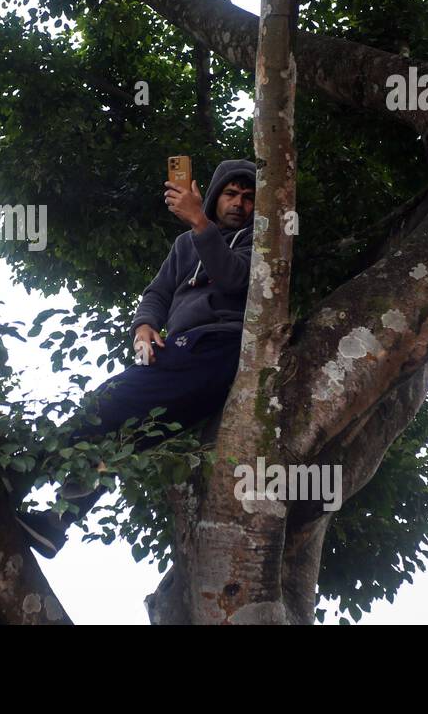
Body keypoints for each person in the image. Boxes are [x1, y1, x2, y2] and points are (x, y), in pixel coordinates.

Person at [13, 158, 257, 558]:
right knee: (124, 439)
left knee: (105, 404)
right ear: (214, 197)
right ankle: (57, 523)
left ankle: (14, 478)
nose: (239, 203)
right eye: (231, 193)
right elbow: (157, 293)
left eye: (248, 198)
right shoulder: (184, 245)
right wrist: (144, 326)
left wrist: (200, 223)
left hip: (217, 348)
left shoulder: (257, 242)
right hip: (184, 355)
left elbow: (235, 278)